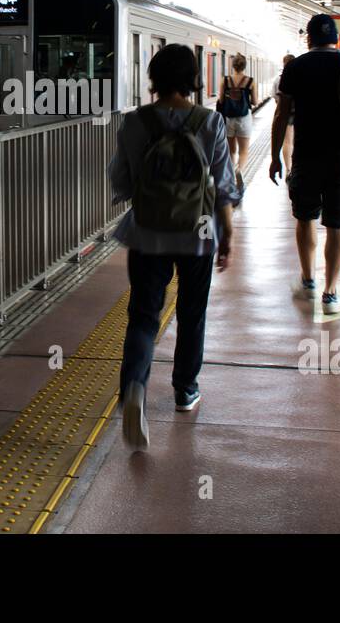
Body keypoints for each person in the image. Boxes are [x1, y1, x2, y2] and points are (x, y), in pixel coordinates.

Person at [109, 44, 239, 451]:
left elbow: (121, 180)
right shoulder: (211, 121)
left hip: (147, 232)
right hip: (198, 234)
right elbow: (223, 184)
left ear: (153, 77)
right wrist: (228, 233)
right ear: (193, 78)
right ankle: (185, 390)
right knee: (192, 312)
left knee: (144, 316)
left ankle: (134, 388)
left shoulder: (135, 122)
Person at [269, 14, 340, 316]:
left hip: (307, 153)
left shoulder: (295, 67)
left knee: (305, 217)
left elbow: (281, 115)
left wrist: (274, 156)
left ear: (308, 38)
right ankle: (331, 295)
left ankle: (309, 280)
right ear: (336, 38)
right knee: (338, 224)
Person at [218, 53, 257, 193]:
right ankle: (239, 170)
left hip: (229, 118)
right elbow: (255, 102)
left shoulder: (225, 80)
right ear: (244, 66)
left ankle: (230, 179)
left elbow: (221, 101)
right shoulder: (250, 81)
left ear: (232, 65)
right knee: (244, 151)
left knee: (231, 151)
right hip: (244, 118)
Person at [278, 54, 296, 172]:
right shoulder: (302, 76)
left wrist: (275, 157)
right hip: (301, 112)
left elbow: (277, 98)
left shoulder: (279, 79)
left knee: (287, 141)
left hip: (286, 114)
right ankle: (295, 167)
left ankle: (288, 169)